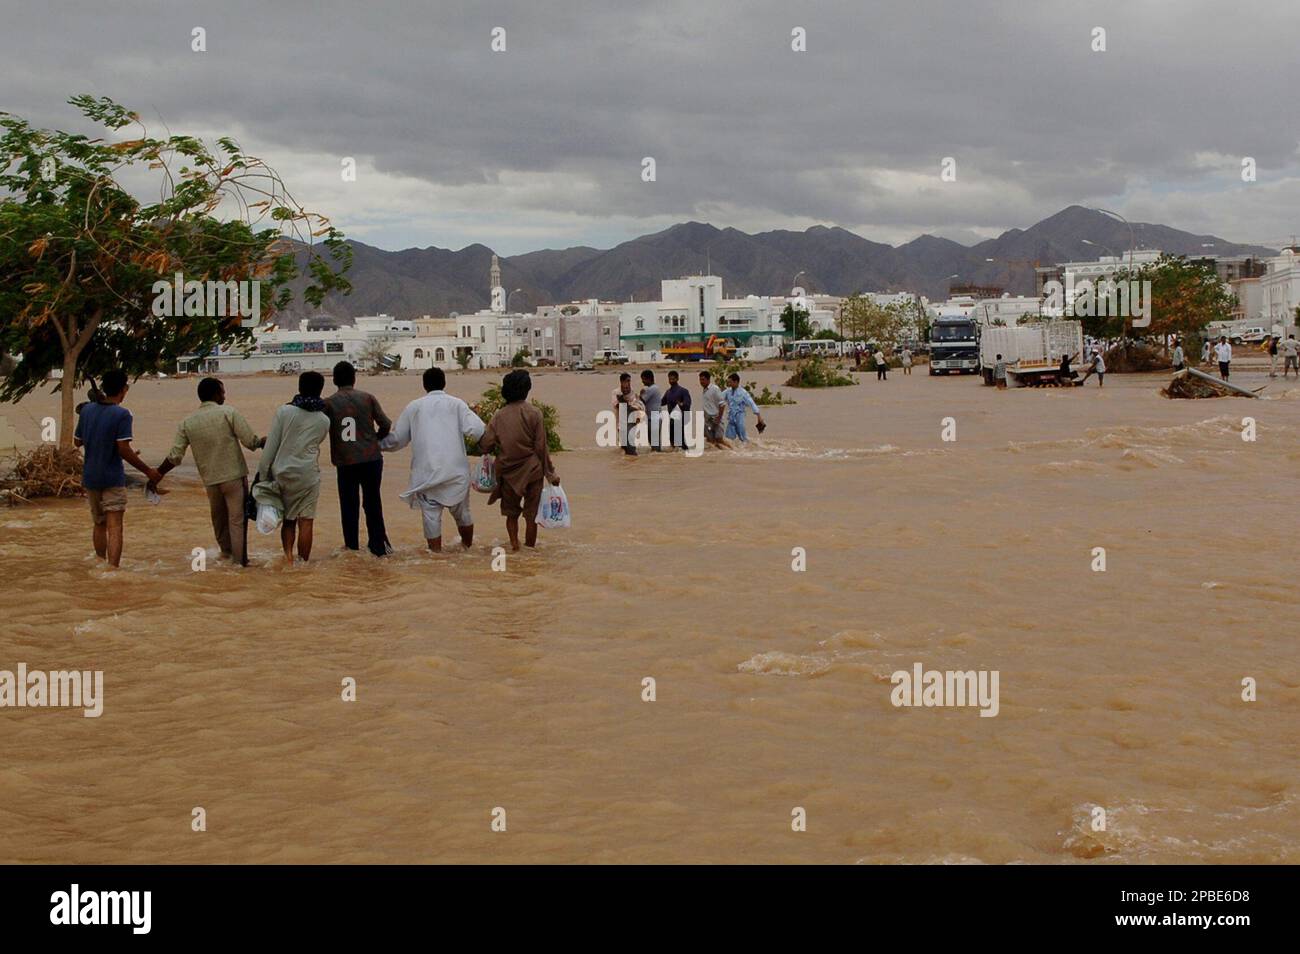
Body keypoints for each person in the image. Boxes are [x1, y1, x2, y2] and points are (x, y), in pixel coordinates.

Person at [152, 377, 265, 566]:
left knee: (219, 520)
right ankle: (240, 563)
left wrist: (158, 474)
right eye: (222, 392)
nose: (224, 395)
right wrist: (263, 441)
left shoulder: (187, 422)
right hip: (234, 476)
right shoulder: (228, 412)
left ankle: (226, 555)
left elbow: (175, 456)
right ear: (215, 394)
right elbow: (250, 441)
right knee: (237, 521)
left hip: (210, 479)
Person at [381, 367, 484, 553]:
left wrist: (373, 443)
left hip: (427, 474)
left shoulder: (414, 407)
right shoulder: (457, 404)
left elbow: (397, 440)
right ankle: (467, 549)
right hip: (456, 474)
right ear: (444, 383)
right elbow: (477, 430)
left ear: (424, 385)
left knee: (431, 518)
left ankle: (436, 557)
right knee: (463, 514)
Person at [73, 369, 164, 568]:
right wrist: (148, 471)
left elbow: (77, 441)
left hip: (90, 477)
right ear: (124, 389)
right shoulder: (122, 414)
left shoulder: (87, 410)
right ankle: (113, 570)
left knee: (99, 523)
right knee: (115, 527)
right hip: (112, 477)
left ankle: (100, 563)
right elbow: (123, 449)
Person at [253, 371, 331, 565]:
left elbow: (271, 447)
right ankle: (303, 563)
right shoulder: (324, 420)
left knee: (289, 520)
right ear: (321, 390)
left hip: (283, 473)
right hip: (308, 475)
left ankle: (288, 558)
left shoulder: (284, 412)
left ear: (299, 387)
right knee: (307, 521)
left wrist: (263, 476)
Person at [478, 369, 559, 550]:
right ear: (527, 389)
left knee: (511, 514)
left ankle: (515, 547)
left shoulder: (498, 416)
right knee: (532, 516)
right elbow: (541, 447)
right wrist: (551, 474)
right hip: (533, 471)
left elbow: (486, 445)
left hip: (508, 473)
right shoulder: (535, 413)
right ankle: (529, 549)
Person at [326, 361, 392, 557]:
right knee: (372, 503)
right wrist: (375, 438)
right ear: (354, 379)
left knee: (348, 505)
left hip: (345, 461)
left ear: (335, 380)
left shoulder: (328, 403)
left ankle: (352, 547)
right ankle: (378, 546)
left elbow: (318, 426)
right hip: (371, 458)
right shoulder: (367, 398)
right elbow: (386, 423)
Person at [722, 372, 764, 442]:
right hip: (731, 417)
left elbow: (752, 403)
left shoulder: (743, 393)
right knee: (728, 438)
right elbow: (719, 398)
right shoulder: (728, 391)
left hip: (740, 417)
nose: (729, 384)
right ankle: (733, 452)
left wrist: (758, 416)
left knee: (743, 437)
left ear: (736, 382)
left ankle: (748, 450)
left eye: (730, 382)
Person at [612, 372, 645, 456]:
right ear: (621, 381)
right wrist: (626, 403)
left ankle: (632, 459)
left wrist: (638, 416)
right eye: (627, 380)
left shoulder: (632, 391)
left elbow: (637, 404)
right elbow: (616, 405)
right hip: (621, 420)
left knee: (630, 441)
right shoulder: (616, 392)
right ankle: (627, 460)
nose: (629, 382)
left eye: (629, 381)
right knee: (623, 444)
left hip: (632, 420)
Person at [660, 369, 692, 449]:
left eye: (673, 379)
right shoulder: (668, 392)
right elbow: (661, 402)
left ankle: (685, 455)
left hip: (680, 419)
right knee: (672, 440)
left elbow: (688, 404)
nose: (671, 381)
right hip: (671, 420)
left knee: (680, 441)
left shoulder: (683, 391)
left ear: (677, 379)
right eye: (670, 379)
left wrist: (681, 404)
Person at [698, 370, 729, 449]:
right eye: (700, 380)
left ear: (708, 380)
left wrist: (719, 418)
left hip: (715, 417)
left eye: (703, 380)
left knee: (719, 439)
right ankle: (719, 454)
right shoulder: (704, 390)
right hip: (707, 419)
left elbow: (722, 404)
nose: (701, 382)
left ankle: (733, 450)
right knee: (710, 440)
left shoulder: (714, 389)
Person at [639, 369, 663, 452]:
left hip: (654, 418)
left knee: (654, 443)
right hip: (653, 418)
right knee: (653, 441)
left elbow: (641, 401)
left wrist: (640, 394)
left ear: (649, 379)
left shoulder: (651, 389)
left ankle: (657, 459)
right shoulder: (655, 388)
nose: (642, 381)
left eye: (643, 379)